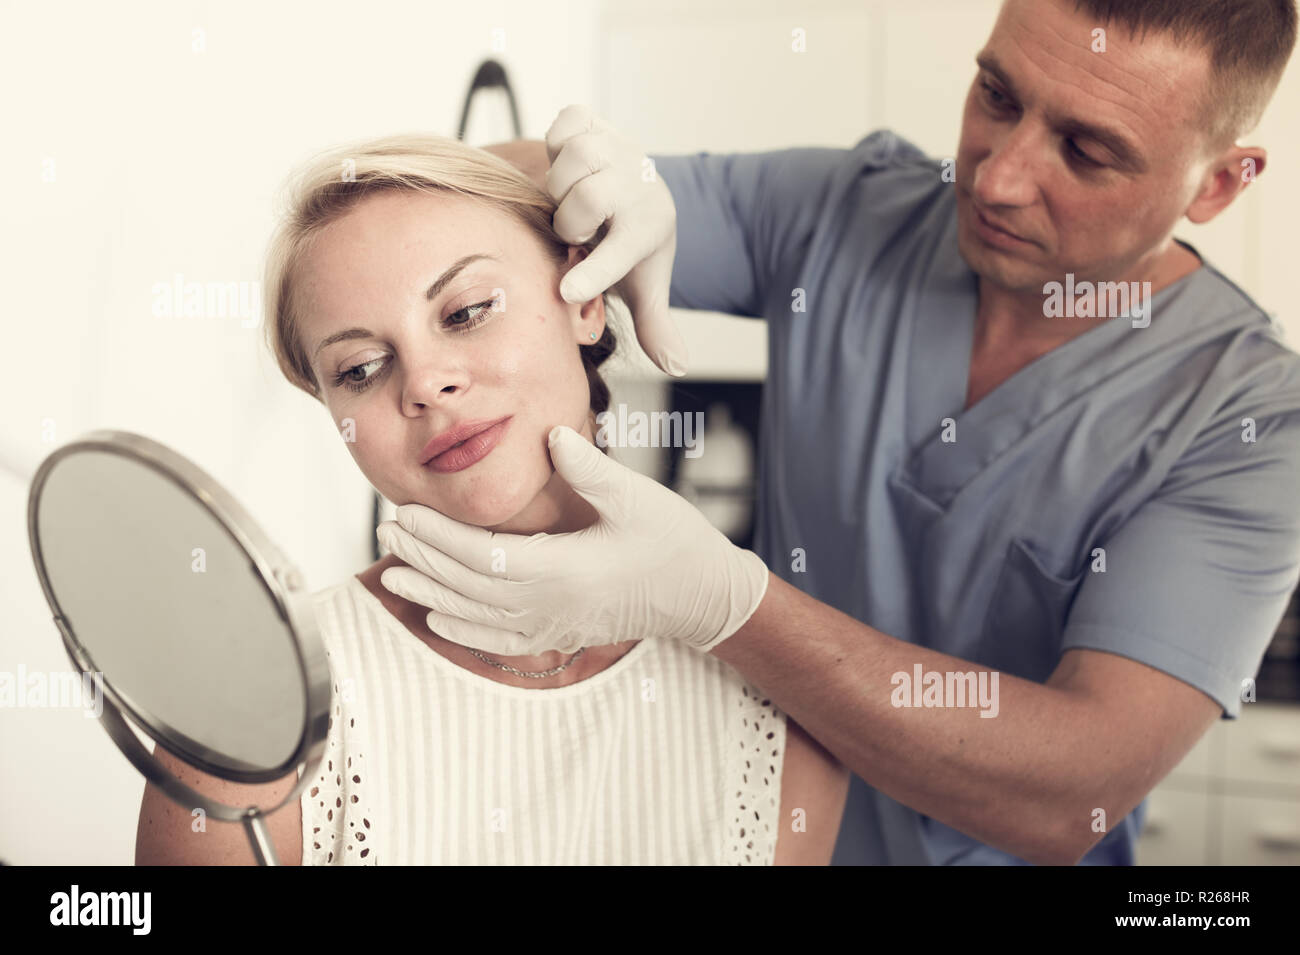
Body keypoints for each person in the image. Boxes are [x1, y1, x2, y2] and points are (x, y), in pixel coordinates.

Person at [376, 0, 1300, 864]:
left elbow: (1072, 794)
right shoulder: (850, 213)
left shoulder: (1245, 420)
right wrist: (570, 182)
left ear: (1218, 182)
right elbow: (491, 193)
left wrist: (723, 603)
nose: (998, 176)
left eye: (1088, 152)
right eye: (997, 96)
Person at [134, 132, 850, 866]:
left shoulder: (782, 716)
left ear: (588, 301)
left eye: (468, 310)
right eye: (360, 368)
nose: (424, 382)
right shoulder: (252, 712)